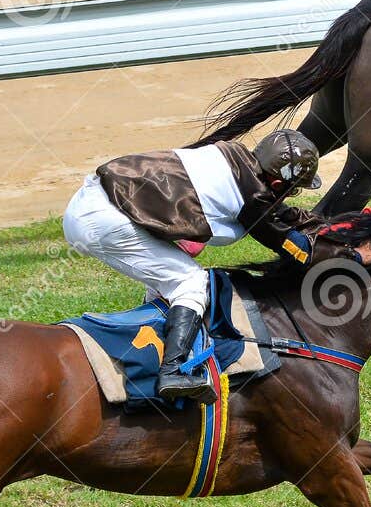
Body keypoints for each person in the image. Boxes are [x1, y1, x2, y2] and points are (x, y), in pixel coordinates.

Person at [62, 129, 323, 404]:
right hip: (103, 220)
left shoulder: (231, 156)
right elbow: (294, 247)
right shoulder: (253, 198)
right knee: (190, 282)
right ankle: (172, 372)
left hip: (93, 203)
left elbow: (280, 215)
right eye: (291, 191)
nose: (289, 196)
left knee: (166, 285)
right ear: (278, 183)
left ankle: (152, 354)